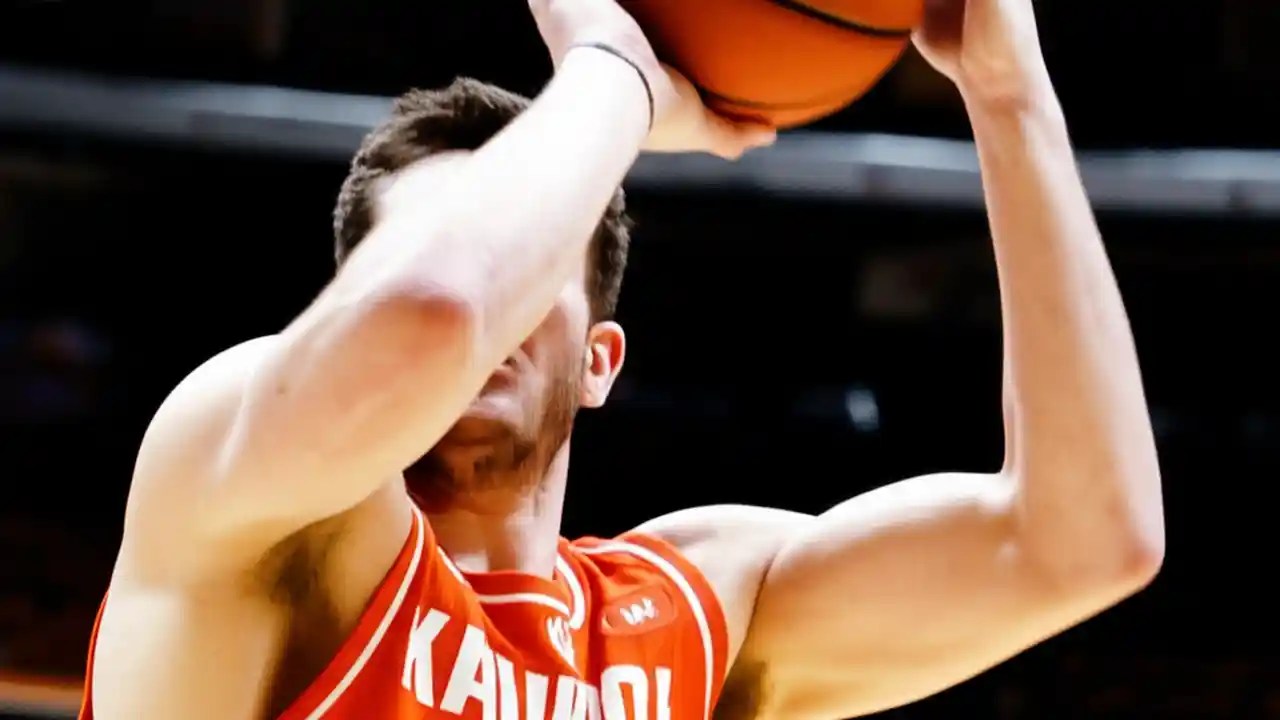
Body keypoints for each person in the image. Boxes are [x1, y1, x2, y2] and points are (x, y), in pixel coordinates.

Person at [78, 0, 1166, 716]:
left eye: (524, 252)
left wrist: (1009, 95)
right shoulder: (243, 505)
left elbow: (1085, 541)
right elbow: (430, 306)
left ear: (601, 359)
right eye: (459, 229)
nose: (488, 287)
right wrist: (614, 72)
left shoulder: (695, 612)